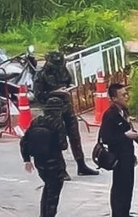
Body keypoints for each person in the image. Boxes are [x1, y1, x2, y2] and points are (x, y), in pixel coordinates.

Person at [32, 50, 98, 178]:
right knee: (57, 139)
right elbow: (38, 96)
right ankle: (61, 170)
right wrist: (55, 92)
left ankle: (81, 165)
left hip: (67, 106)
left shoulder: (63, 70)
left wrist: (68, 89)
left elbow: (68, 82)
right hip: (52, 109)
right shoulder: (41, 74)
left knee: (75, 136)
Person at [20, 95, 70, 217]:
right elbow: (63, 145)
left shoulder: (36, 121)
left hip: (39, 162)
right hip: (54, 162)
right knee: (53, 192)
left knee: (47, 188)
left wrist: (26, 159)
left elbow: (24, 141)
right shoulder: (57, 123)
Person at [99, 83, 138, 217]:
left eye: (126, 94)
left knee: (128, 185)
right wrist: (125, 136)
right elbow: (106, 137)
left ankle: (125, 214)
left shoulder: (123, 111)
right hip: (117, 157)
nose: (126, 97)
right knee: (119, 187)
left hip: (127, 155)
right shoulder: (110, 115)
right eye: (122, 95)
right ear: (113, 98)